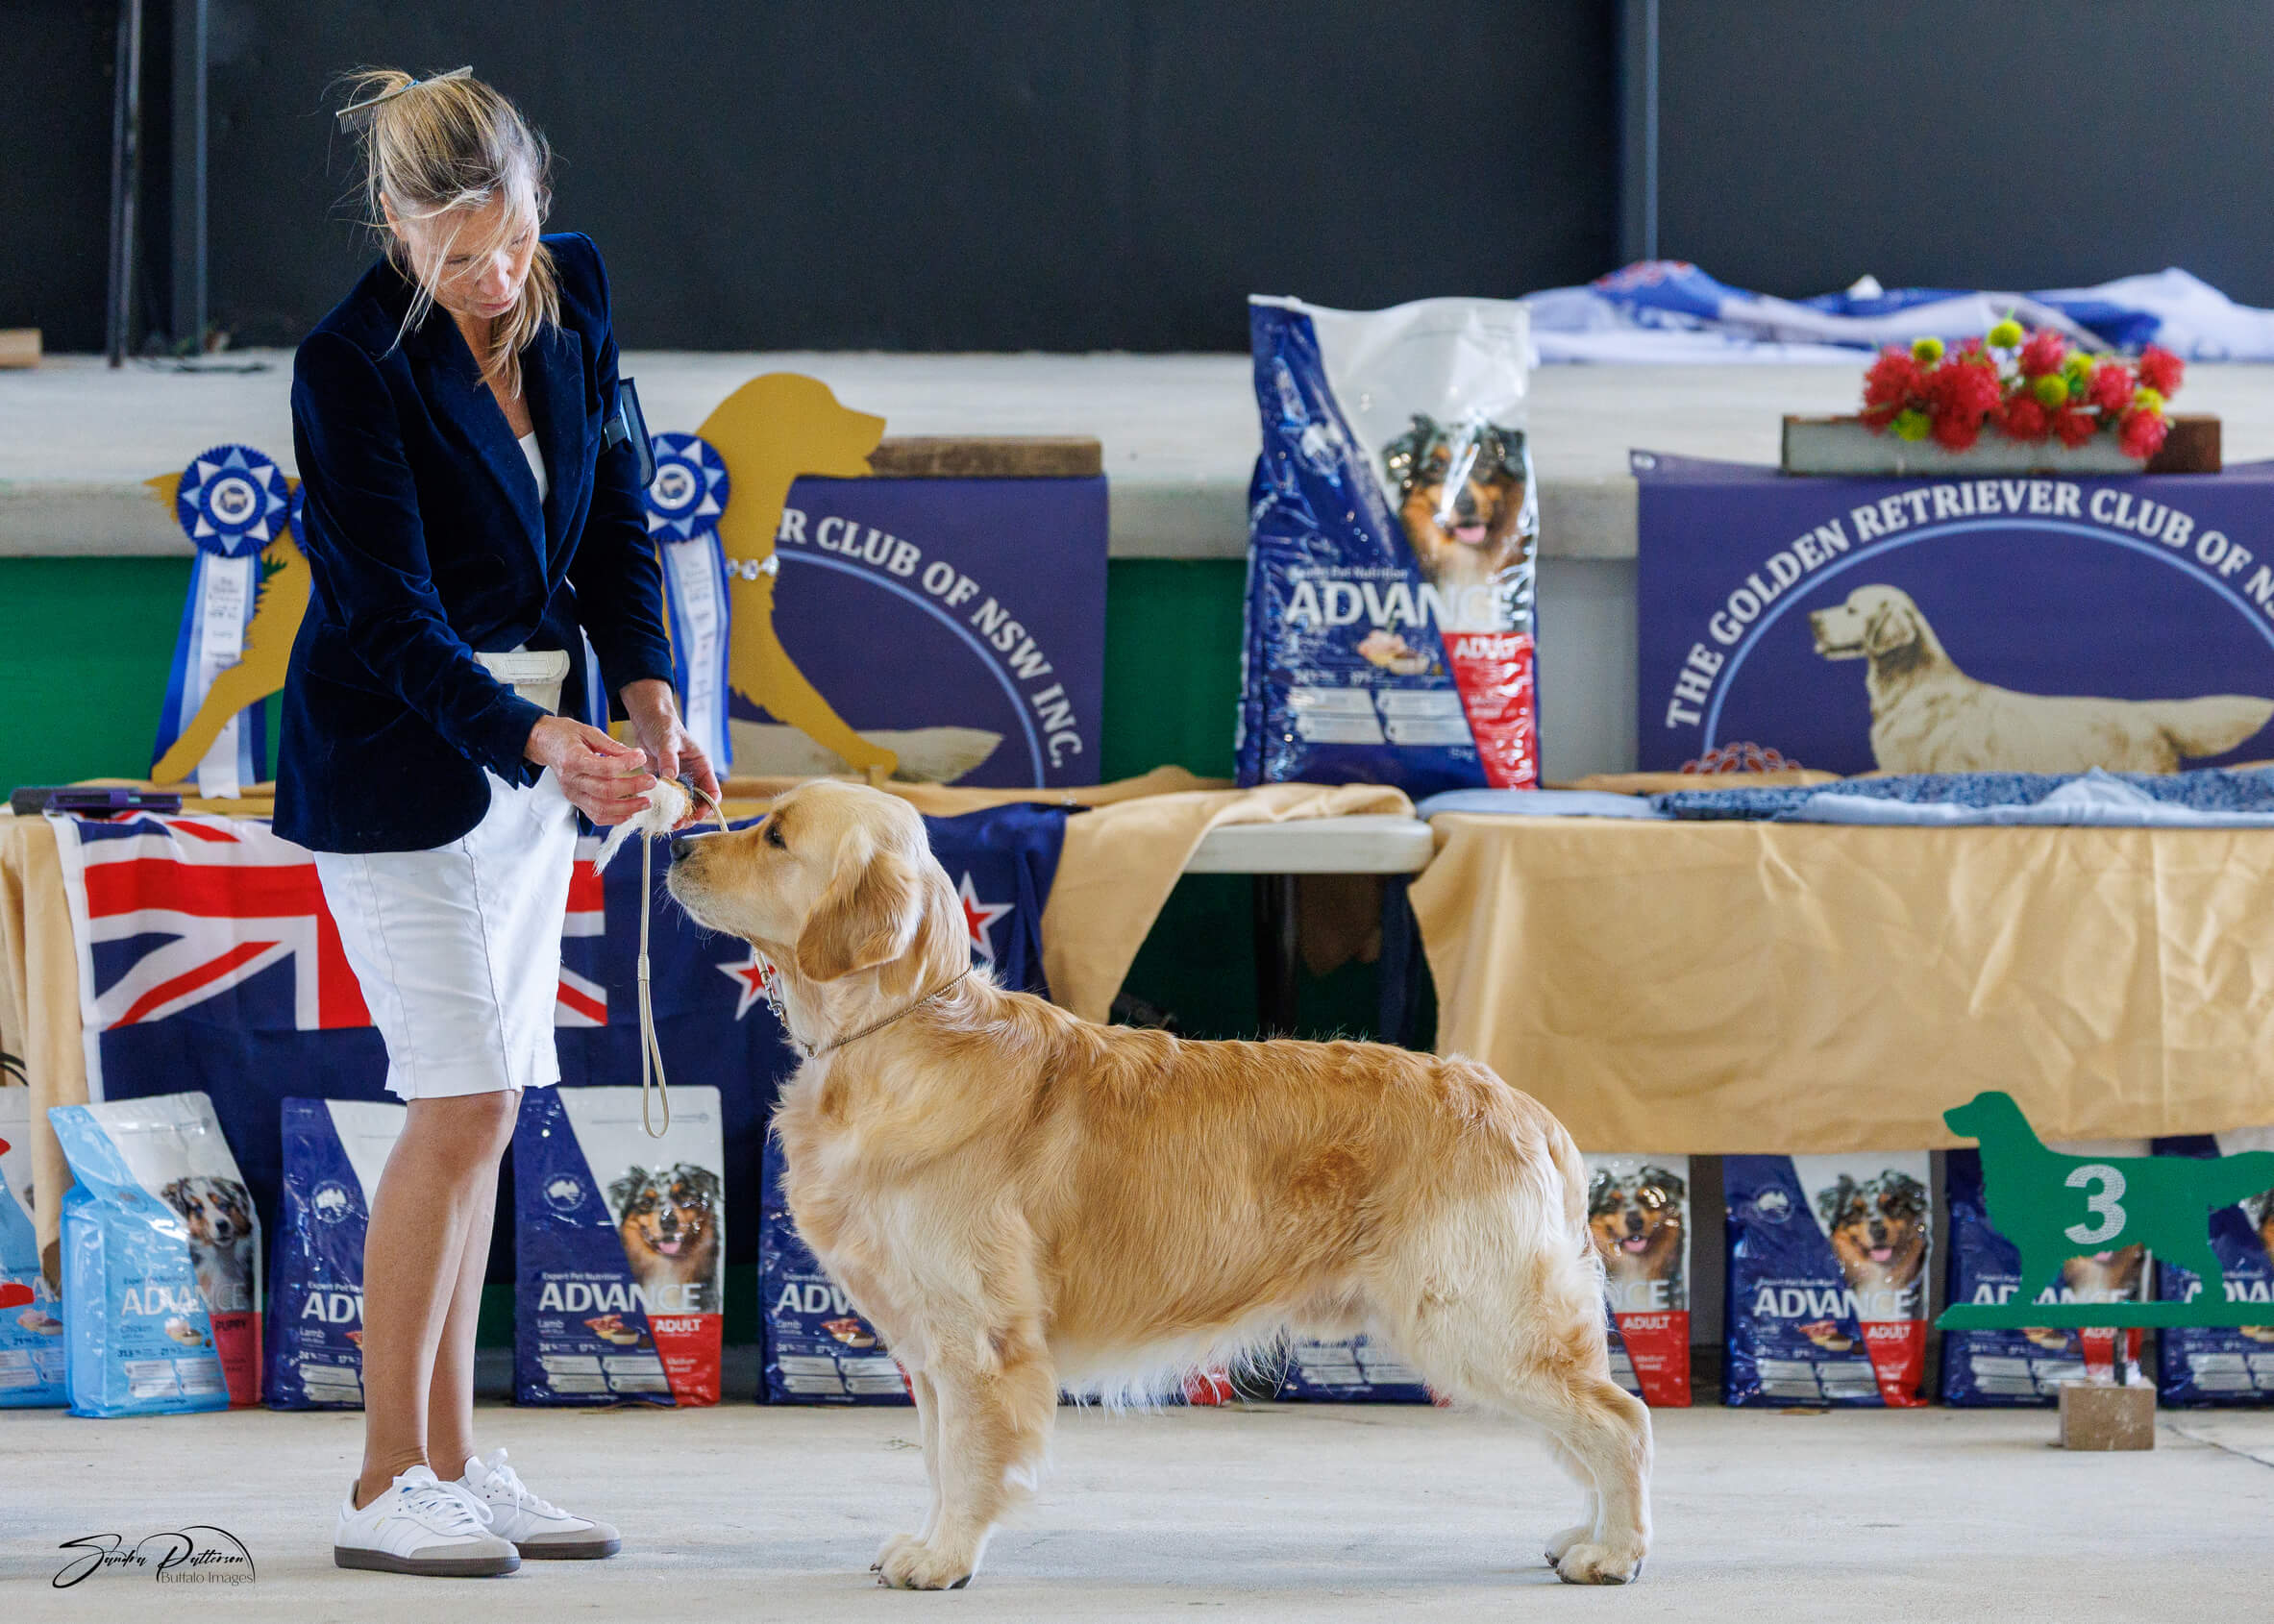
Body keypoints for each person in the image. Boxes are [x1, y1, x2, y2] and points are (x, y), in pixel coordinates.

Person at [276, 65, 718, 1579]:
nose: (493, 276)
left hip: (542, 774)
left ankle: (456, 1464)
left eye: (511, 236)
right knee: (456, 1104)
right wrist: (540, 739)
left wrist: (650, 692)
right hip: (401, 767)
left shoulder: (572, 291)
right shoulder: (346, 367)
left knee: (494, 1105)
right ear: (394, 228)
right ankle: (382, 1479)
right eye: (455, 254)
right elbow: (386, 619)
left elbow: (614, 521)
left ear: (540, 203)